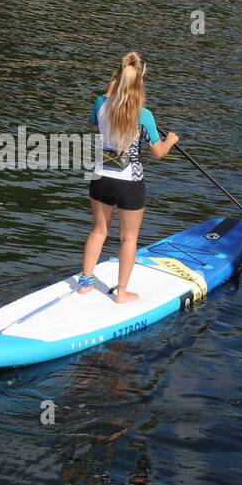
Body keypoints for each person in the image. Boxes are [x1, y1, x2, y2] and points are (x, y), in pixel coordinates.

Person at [79, 52, 180, 305]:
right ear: (139, 84)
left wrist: (107, 93)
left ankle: (85, 283)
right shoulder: (144, 115)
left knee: (99, 230)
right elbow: (157, 153)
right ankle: (121, 293)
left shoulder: (100, 102)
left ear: (117, 81)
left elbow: (94, 126)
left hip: (100, 176)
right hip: (130, 183)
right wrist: (170, 140)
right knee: (129, 238)